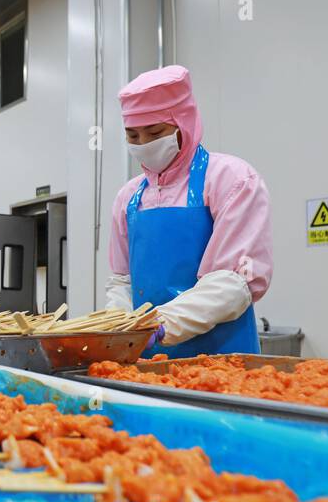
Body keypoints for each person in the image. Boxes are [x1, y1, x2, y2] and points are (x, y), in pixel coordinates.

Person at [107, 65, 272, 357]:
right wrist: (117, 327)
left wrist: (158, 325)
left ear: (184, 122)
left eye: (155, 132)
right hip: (146, 360)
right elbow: (122, 282)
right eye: (133, 136)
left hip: (222, 359)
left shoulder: (231, 180)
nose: (144, 145)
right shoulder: (128, 198)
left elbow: (234, 282)